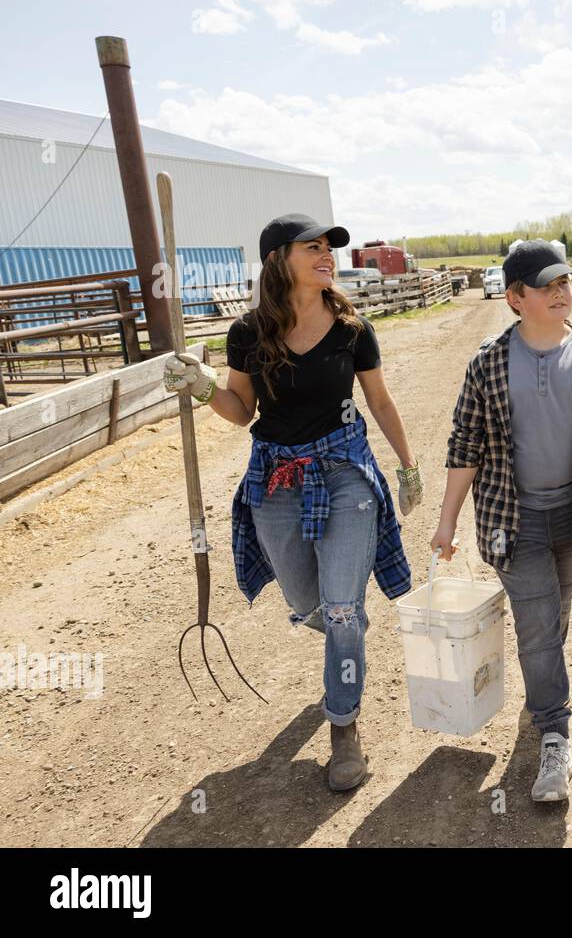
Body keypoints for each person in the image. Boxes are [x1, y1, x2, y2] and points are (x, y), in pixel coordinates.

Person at [162, 213, 423, 791]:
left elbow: (380, 401)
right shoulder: (247, 333)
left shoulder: (353, 330)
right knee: (308, 602)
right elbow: (241, 411)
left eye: (330, 247)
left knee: (341, 608)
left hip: (345, 471)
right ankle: (342, 633)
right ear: (279, 258)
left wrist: (408, 466)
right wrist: (202, 386)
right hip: (276, 478)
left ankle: (344, 726)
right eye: (314, 247)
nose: (328, 255)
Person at [431, 239, 572, 803]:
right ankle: (555, 735)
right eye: (546, 286)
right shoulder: (488, 361)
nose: (561, 292)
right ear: (515, 298)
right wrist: (447, 521)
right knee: (538, 625)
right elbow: (465, 445)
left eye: (565, 282)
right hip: (510, 519)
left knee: (555, 618)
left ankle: (542, 691)